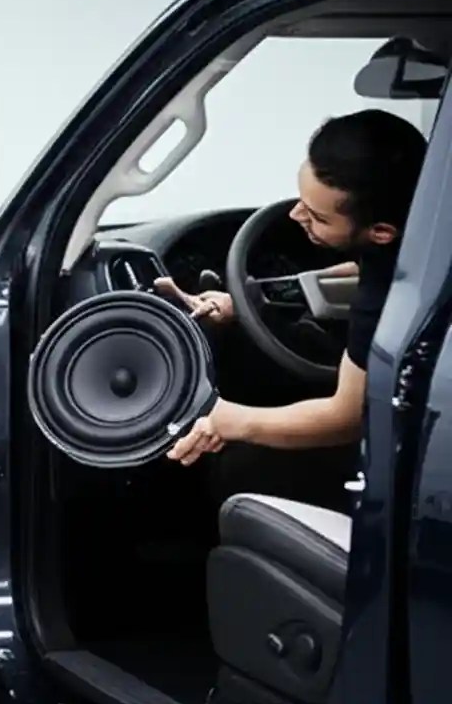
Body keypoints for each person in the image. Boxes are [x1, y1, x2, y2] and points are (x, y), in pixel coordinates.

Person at [154, 108, 428, 467]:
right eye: (301, 200)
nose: (295, 215)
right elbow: (352, 274)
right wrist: (248, 304)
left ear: (381, 232)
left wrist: (230, 420)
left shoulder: (392, 291)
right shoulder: (421, 239)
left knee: (238, 466)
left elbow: (347, 417)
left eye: (317, 216)